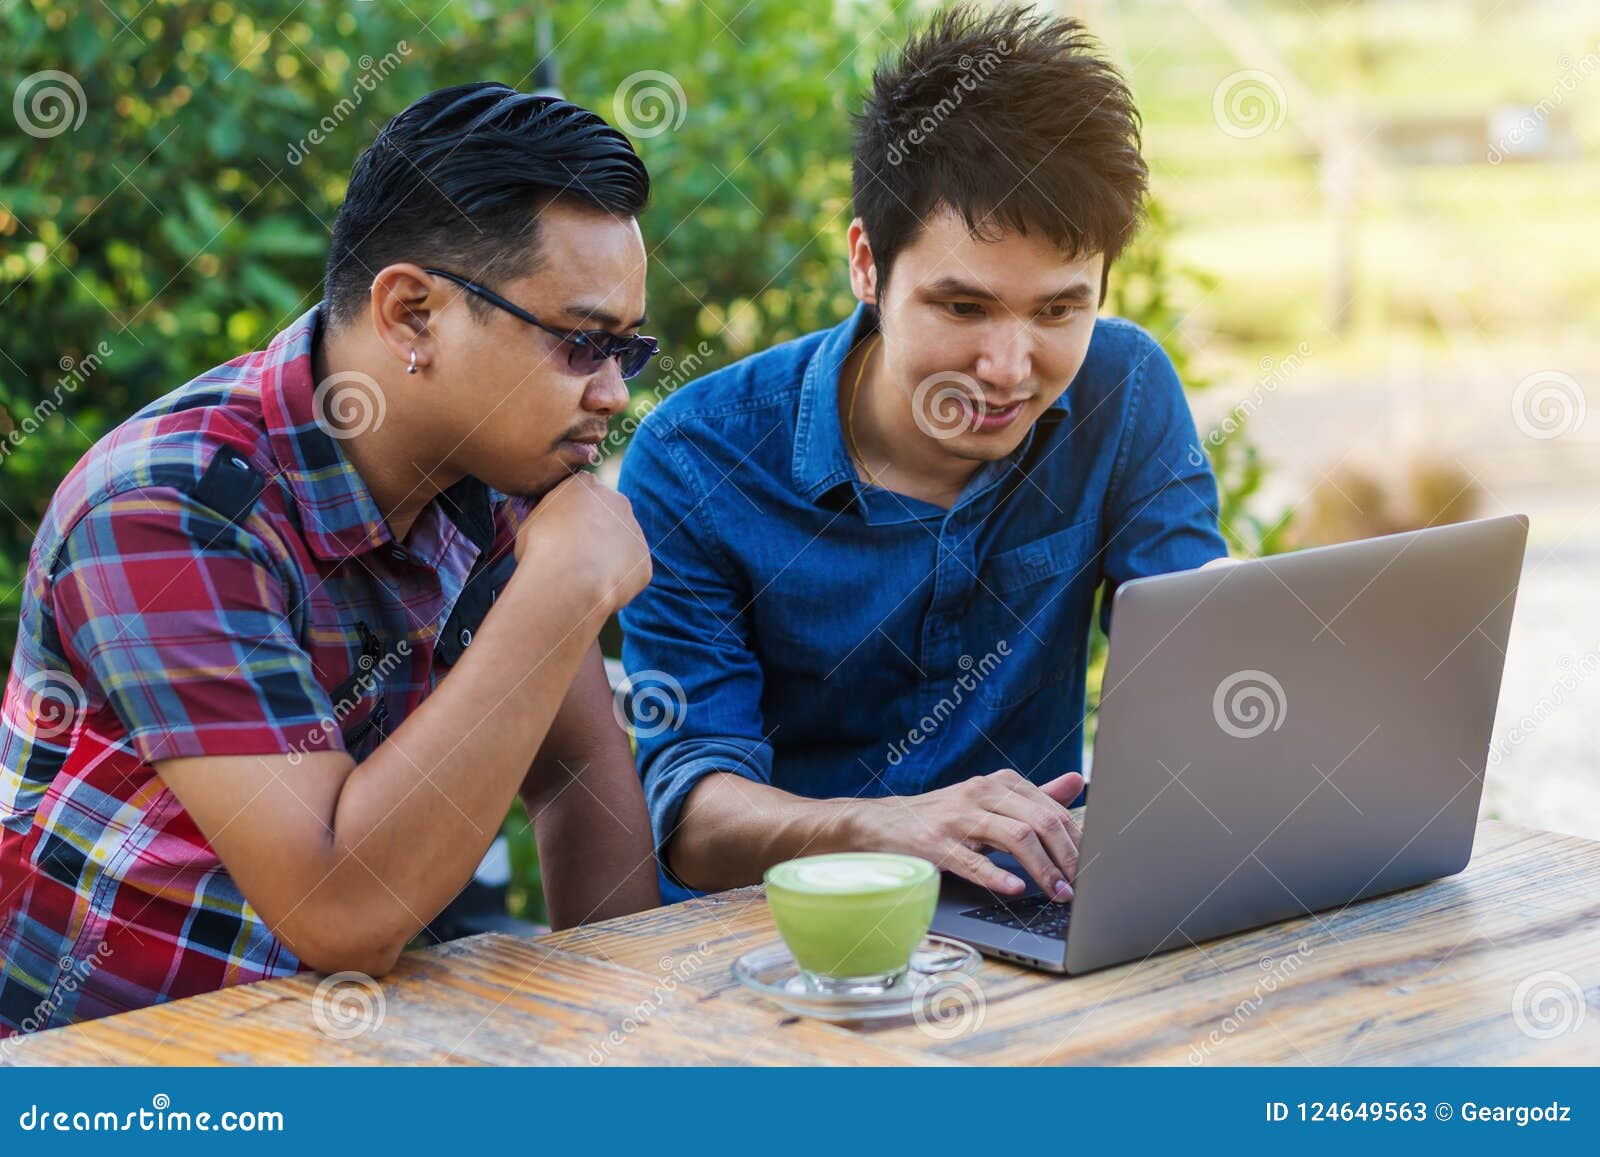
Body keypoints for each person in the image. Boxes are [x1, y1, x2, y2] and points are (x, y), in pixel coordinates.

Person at [0, 82, 660, 1034]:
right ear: (412, 315)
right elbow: (340, 911)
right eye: (579, 344)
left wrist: (631, 1046)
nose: (610, 393)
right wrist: (561, 590)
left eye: (626, 351)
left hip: (339, 1048)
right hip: (94, 1064)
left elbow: (572, 776)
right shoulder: (163, 511)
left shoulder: (503, 469)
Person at [618, 6, 1230, 905]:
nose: (1010, 370)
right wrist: (885, 825)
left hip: (1030, 924)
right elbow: (692, 823)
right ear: (868, 264)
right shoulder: (695, 458)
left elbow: (1198, 670)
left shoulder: (1124, 387)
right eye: (964, 307)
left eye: (1059, 310)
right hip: (778, 950)